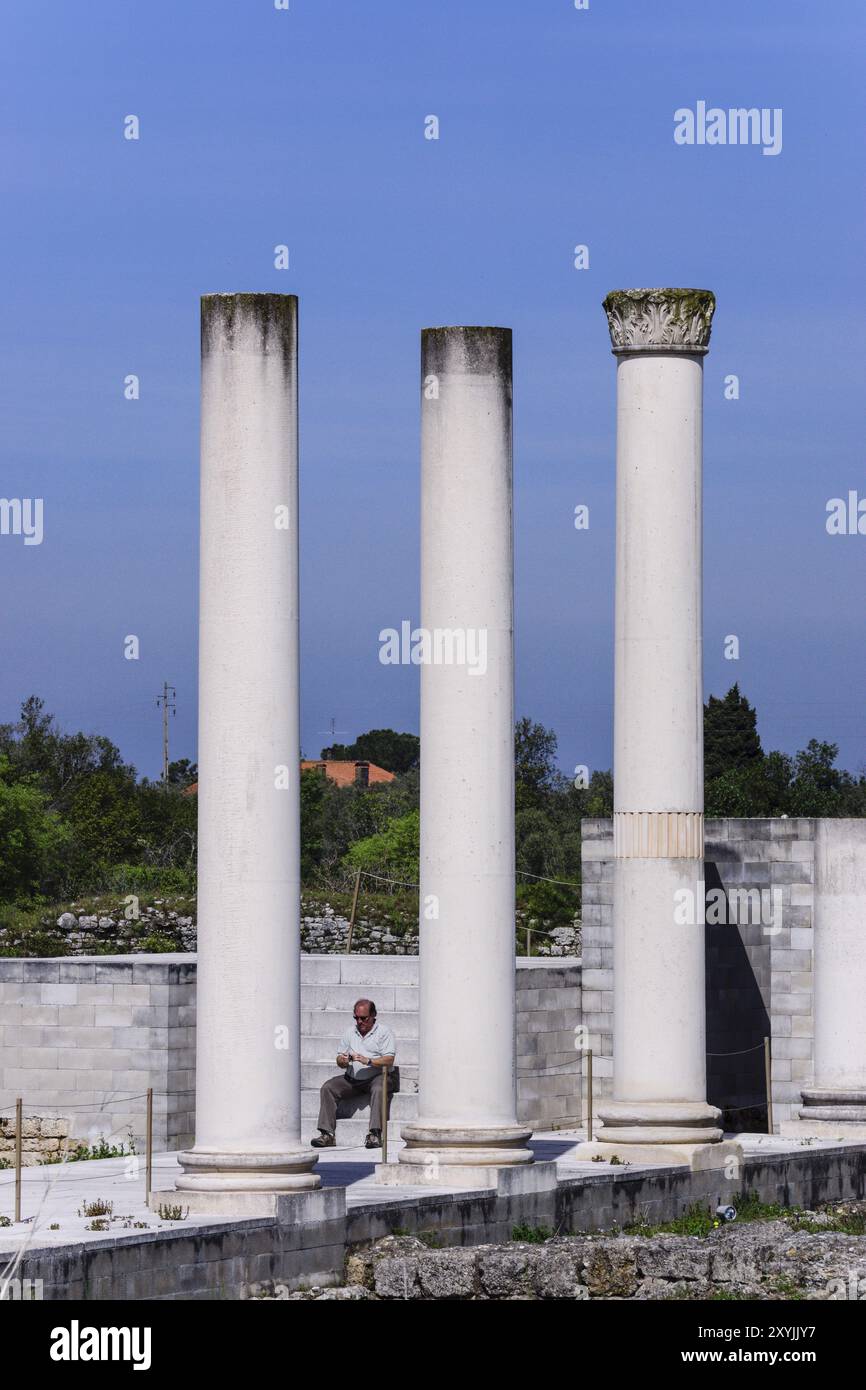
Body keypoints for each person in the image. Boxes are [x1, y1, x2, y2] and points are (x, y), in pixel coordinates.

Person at [311, 998, 398, 1150]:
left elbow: (389, 1059)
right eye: (356, 1018)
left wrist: (368, 1061)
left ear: (373, 1016)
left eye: (363, 1018)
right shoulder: (350, 1032)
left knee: (379, 1089)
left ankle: (375, 1134)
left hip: (378, 1075)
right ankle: (327, 1134)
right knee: (328, 1087)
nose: (359, 1021)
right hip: (353, 1079)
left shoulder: (384, 1032)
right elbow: (339, 1059)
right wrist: (343, 1061)